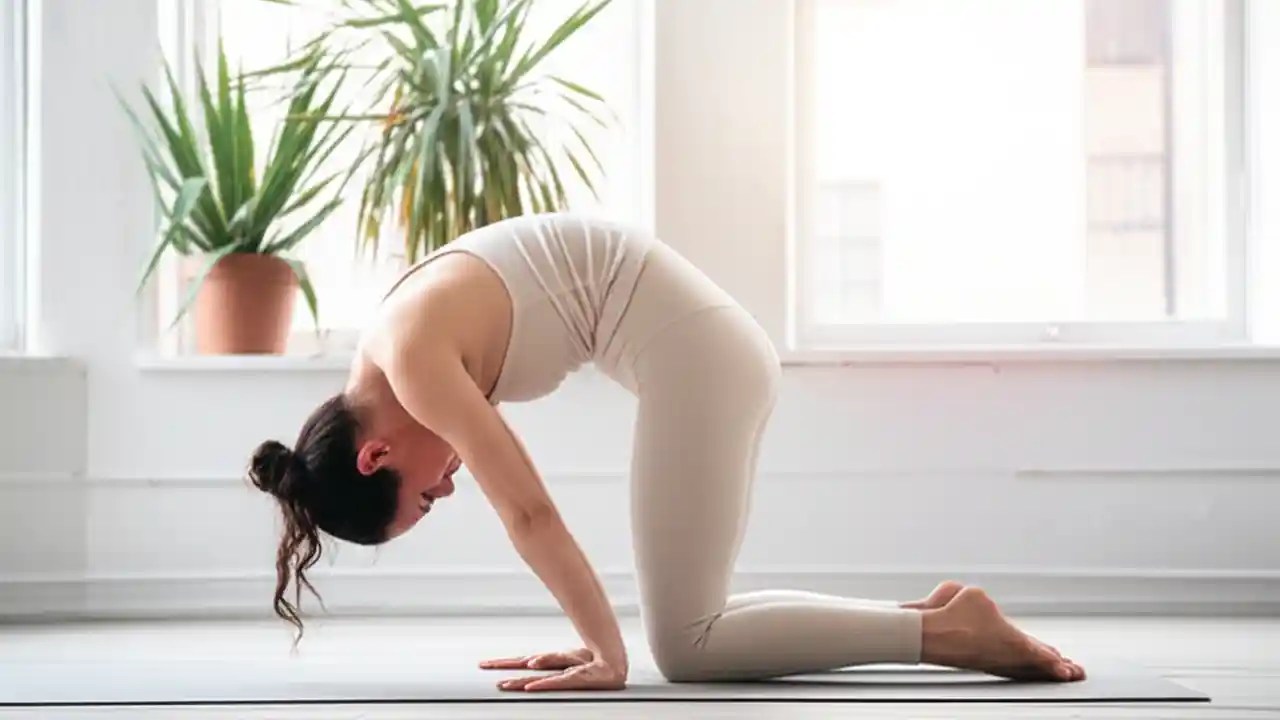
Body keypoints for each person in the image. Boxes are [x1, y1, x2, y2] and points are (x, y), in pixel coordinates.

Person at [248, 213, 1086, 692]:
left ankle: (948, 638)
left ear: (374, 456)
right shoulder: (398, 344)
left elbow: (529, 509)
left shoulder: (411, 358)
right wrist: (594, 636)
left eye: (424, 497)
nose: (447, 489)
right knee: (695, 619)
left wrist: (608, 657)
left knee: (684, 647)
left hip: (700, 358)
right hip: (705, 354)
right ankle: (928, 620)